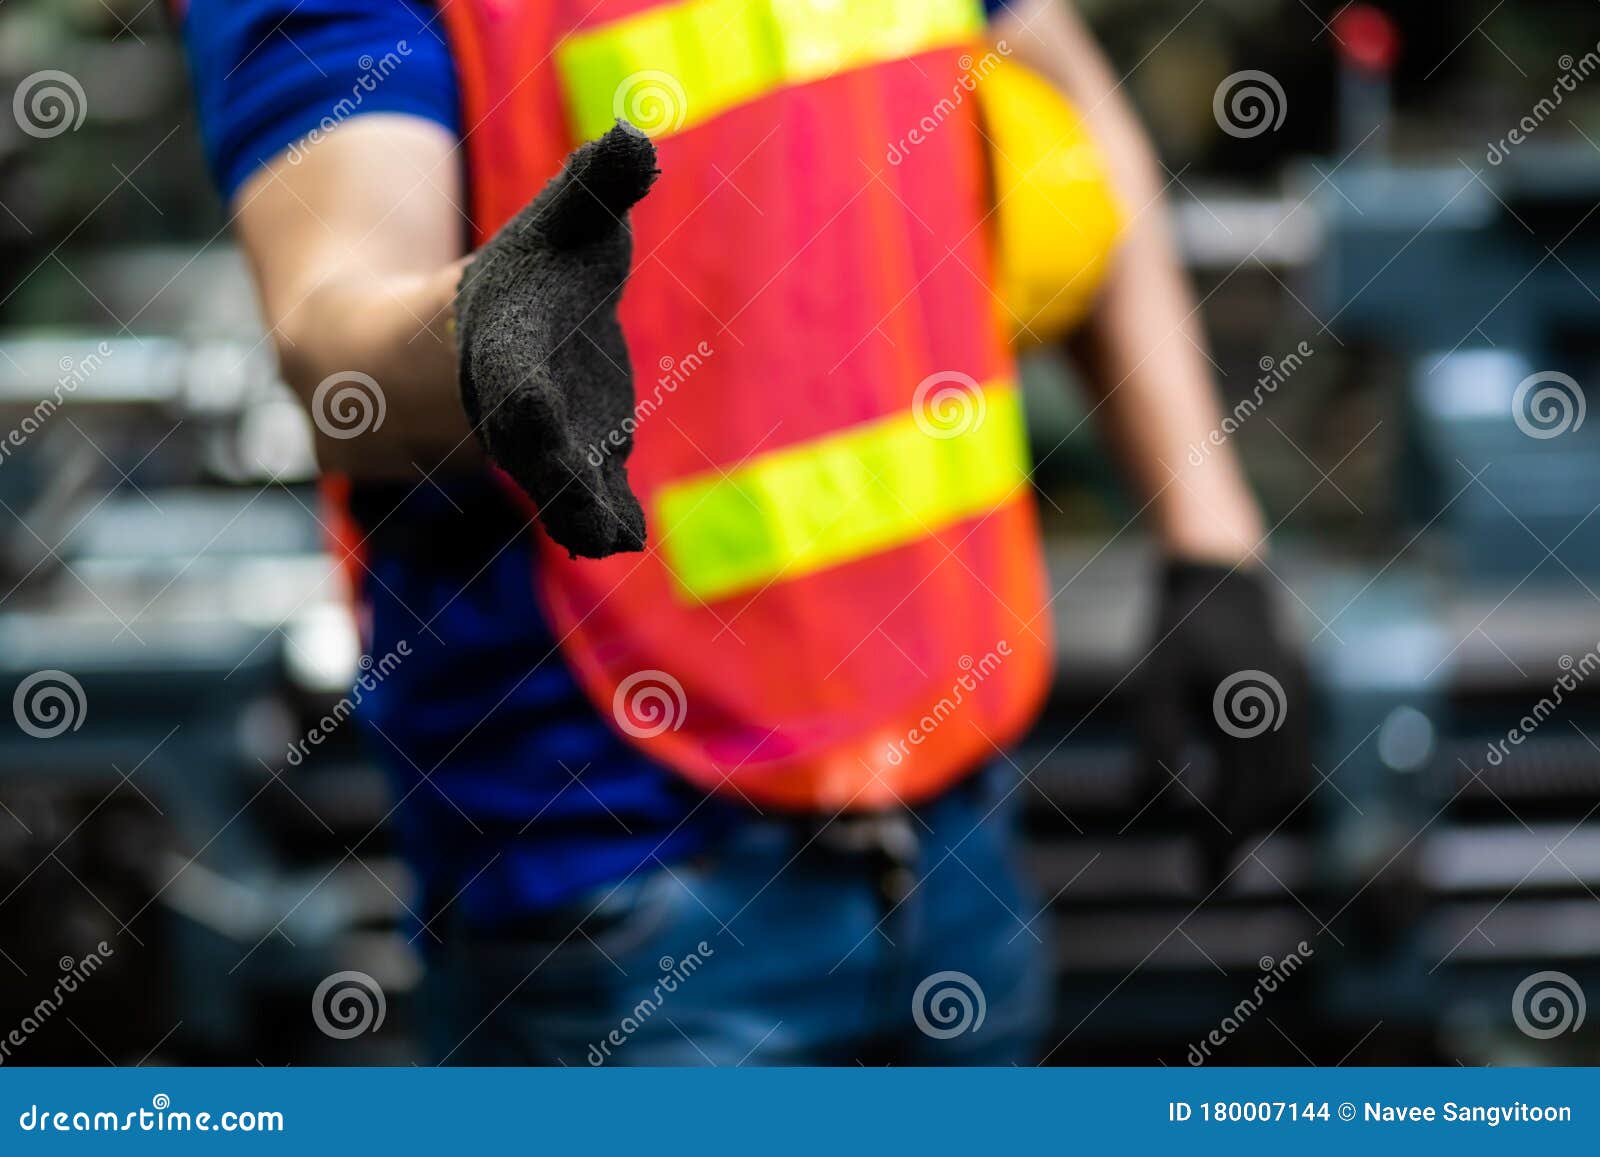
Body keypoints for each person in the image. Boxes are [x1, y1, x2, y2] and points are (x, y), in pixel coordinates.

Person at [177, 0, 1305, 1064]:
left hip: (954, 816)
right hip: (621, 879)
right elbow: (335, 321)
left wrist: (1210, 537)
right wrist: (481, 333)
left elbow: (1062, 117)